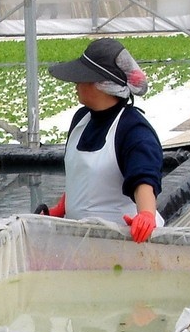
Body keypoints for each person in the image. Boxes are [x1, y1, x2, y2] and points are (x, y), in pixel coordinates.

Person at [37, 37, 165, 243]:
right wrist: (62, 207)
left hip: (122, 241)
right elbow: (82, 176)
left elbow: (143, 177)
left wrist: (146, 215)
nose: (75, 84)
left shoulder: (133, 129)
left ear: (102, 85)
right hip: (80, 241)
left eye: (81, 78)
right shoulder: (81, 119)